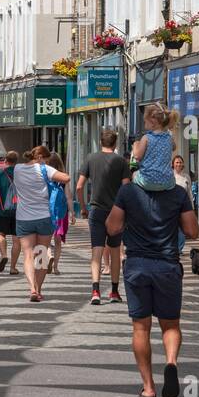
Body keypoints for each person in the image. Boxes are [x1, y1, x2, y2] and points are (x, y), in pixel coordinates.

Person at [104, 172, 198, 397]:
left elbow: (112, 227)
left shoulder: (128, 192)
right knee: (171, 325)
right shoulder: (177, 193)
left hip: (137, 266)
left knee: (141, 328)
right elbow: (192, 231)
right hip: (167, 266)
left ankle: (148, 387)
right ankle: (171, 362)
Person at [77, 128, 131, 306]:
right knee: (115, 251)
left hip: (97, 210)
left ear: (101, 142)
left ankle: (95, 290)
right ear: (115, 144)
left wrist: (83, 207)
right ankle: (114, 291)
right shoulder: (121, 161)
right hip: (115, 212)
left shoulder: (91, 159)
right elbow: (126, 187)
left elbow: (79, 186)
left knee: (96, 251)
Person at [9, 145, 68, 302]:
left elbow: (4, 170)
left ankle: (32, 289)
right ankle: (39, 289)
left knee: (28, 255)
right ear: (41, 157)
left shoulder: (18, 169)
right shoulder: (45, 169)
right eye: (46, 159)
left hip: (23, 218)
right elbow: (66, 178)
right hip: (44, 217)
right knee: (41, 253)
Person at [131, 103, 179, 192]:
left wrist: (135, 145)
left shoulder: (146, 138)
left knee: (134, 174)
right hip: (167, 182)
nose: (144, 123)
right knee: (173, 179)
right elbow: (174, 147)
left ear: (152, 122)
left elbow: (137, 156)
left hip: (147, 181)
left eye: (145, 121)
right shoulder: (169, 138)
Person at [0, 151, 22, 274]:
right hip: (19, 211)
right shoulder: (22, 173)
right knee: (16, 239)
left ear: (5, 161)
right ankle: (13, 268)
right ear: (16, 161)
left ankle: (3, 255)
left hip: (2, 210)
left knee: (1, 234)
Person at [44, 152, 71, 275]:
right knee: (58, 241)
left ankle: (49, 255)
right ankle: (56, 267)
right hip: (61, 212)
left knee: (46, 239)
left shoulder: (45, 176)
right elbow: (68, 196)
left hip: (47, 211)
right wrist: (72, 213)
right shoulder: (63, 178)